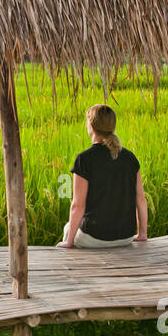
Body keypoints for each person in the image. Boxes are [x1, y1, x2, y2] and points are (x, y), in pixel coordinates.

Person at [57, 104, 148, 248]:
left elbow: (77, 205)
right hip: (126, 236)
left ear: (91, 125)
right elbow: (141, 199)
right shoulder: (129, 157)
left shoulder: (84, 159)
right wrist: (142, 234)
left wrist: (68, 242)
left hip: (95, 237)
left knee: (68, 228)